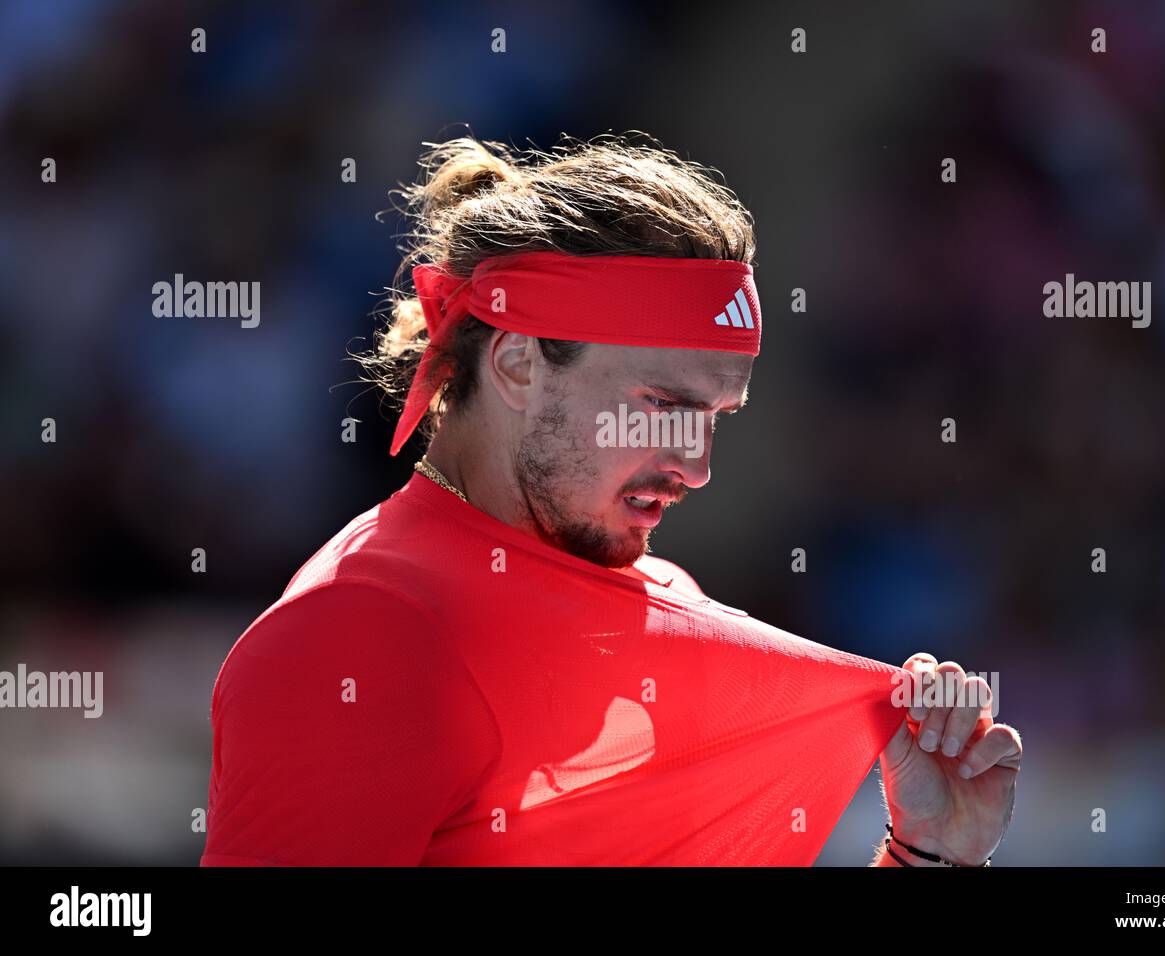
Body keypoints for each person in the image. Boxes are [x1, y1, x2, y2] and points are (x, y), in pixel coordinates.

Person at [200, 134, 1021, 867]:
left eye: (714, 419)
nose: (696, 467)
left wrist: (929, 854)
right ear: (519, 363)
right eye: (662, 406)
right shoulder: (360, 635)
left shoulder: (662, 599)